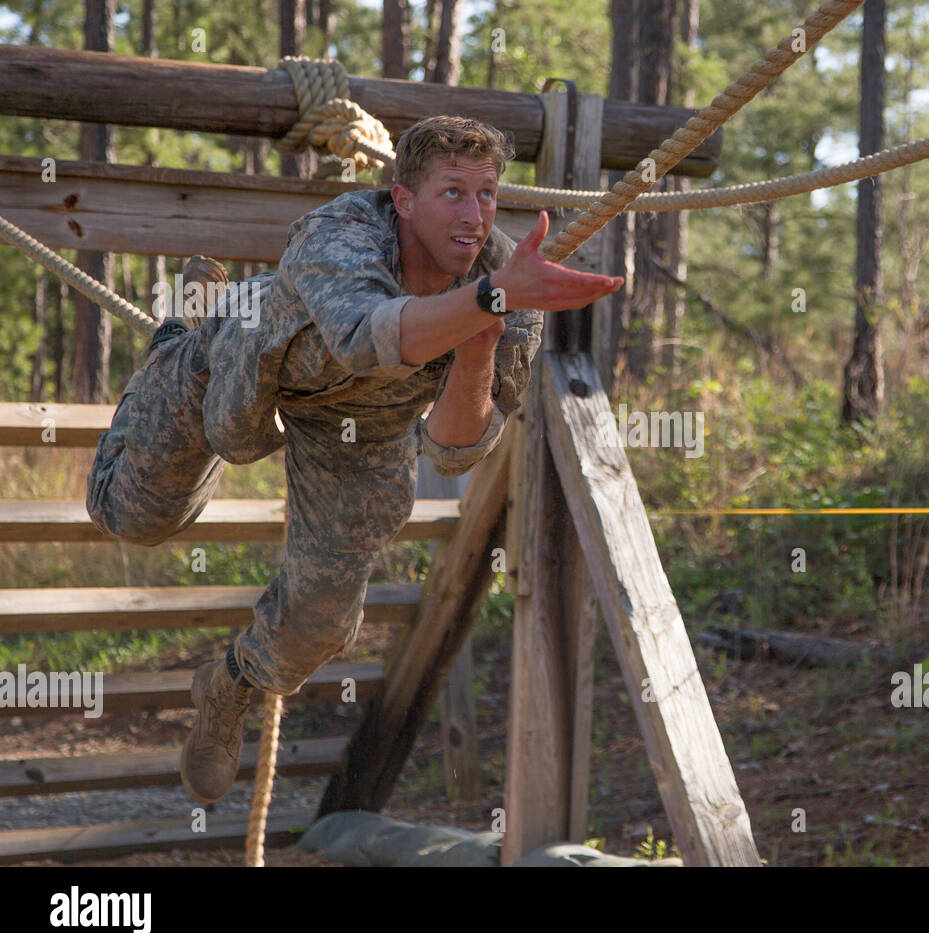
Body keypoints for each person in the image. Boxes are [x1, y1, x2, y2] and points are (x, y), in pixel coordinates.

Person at [85, 115, 622, 803]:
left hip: (362, 426)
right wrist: (486, 300)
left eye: (487, 193)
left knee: (321, 622)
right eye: (452, 193)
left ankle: (228, 687)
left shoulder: (506, 284)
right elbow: (367, 335)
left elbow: (457, 451)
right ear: (403, 201)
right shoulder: (339, 232)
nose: (475, 215)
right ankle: (179, 331)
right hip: (240, 362)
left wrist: (483, 339)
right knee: (133, 518)